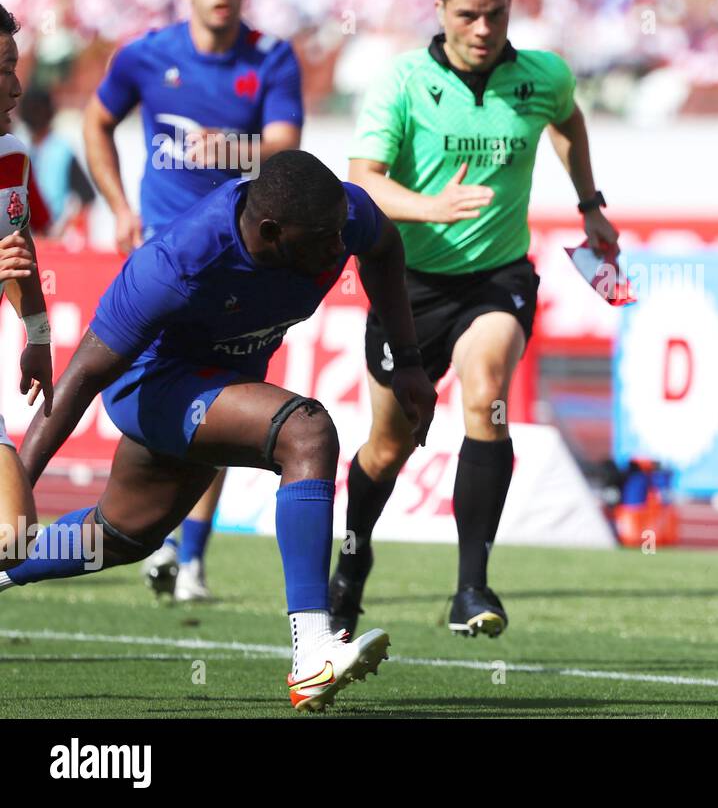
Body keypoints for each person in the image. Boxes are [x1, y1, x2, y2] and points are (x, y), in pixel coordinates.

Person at [9, 150, 436, 710]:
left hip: (221, 382)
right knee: (306, 433)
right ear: (269, 231)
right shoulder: (177, 262)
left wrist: (407, 358)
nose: (339, 248)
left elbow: (383, 247)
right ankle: (312, 652)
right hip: (153, 388)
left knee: (121, 536)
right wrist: (11, 498)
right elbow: (82, 376)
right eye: (324, 240)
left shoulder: (337, 213)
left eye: (340, 233)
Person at [331, 0, 620, 639]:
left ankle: (471, 588)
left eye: (496, 14)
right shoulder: (399, 82)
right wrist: (428, 208)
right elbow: (361, 180)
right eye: (469, 15)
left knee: (485, 387)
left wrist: (590, 203)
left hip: (497, 275)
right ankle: (350, 565)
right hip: (410, 286)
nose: (484, 29)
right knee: (386, 449)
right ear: (440, 11)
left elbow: (569, 121)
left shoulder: (543, 75)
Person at [83, 0, 304, 601]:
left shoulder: (272, 59)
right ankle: (132, 529)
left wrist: (231, 151)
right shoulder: (146, 56)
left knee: (225, 395)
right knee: (153, 388)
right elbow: (95, 123)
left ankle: (190, 557)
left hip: (242, 261)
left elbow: (286, 151)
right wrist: (118, 205)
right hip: (163, 261)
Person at [0, 4, 55, 570]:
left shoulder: (10, 157)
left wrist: (36, 333)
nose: (16, 87)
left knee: (13, 537)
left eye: (14, 67)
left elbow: (18, 250)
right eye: (1, 71)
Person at [18, 88, 96, 240]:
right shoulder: (21, 148)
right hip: (26, 235)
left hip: (54, 236)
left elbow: (87, 197)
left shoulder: (62, 151)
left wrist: (63, 229)